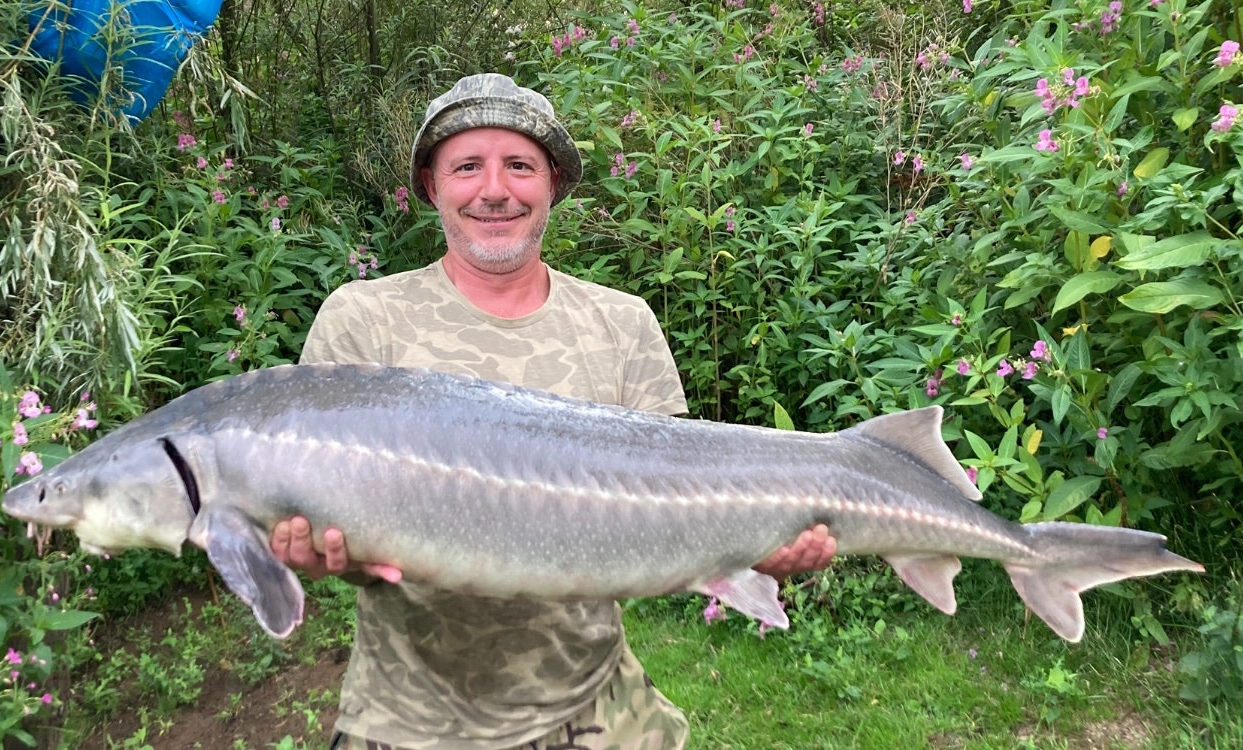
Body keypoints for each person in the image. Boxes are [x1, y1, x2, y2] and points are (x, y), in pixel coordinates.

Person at [269, 73, 838, 750]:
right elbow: (337, 524)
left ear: (554, 184)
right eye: (467, 167)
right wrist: (324, 552)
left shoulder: (621, 323)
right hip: (409, 719)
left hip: (600, 706)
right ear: (431, 185)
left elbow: (682, 507)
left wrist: (756, 546)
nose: (494, 189)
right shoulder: (362, 323)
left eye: (519, 166)